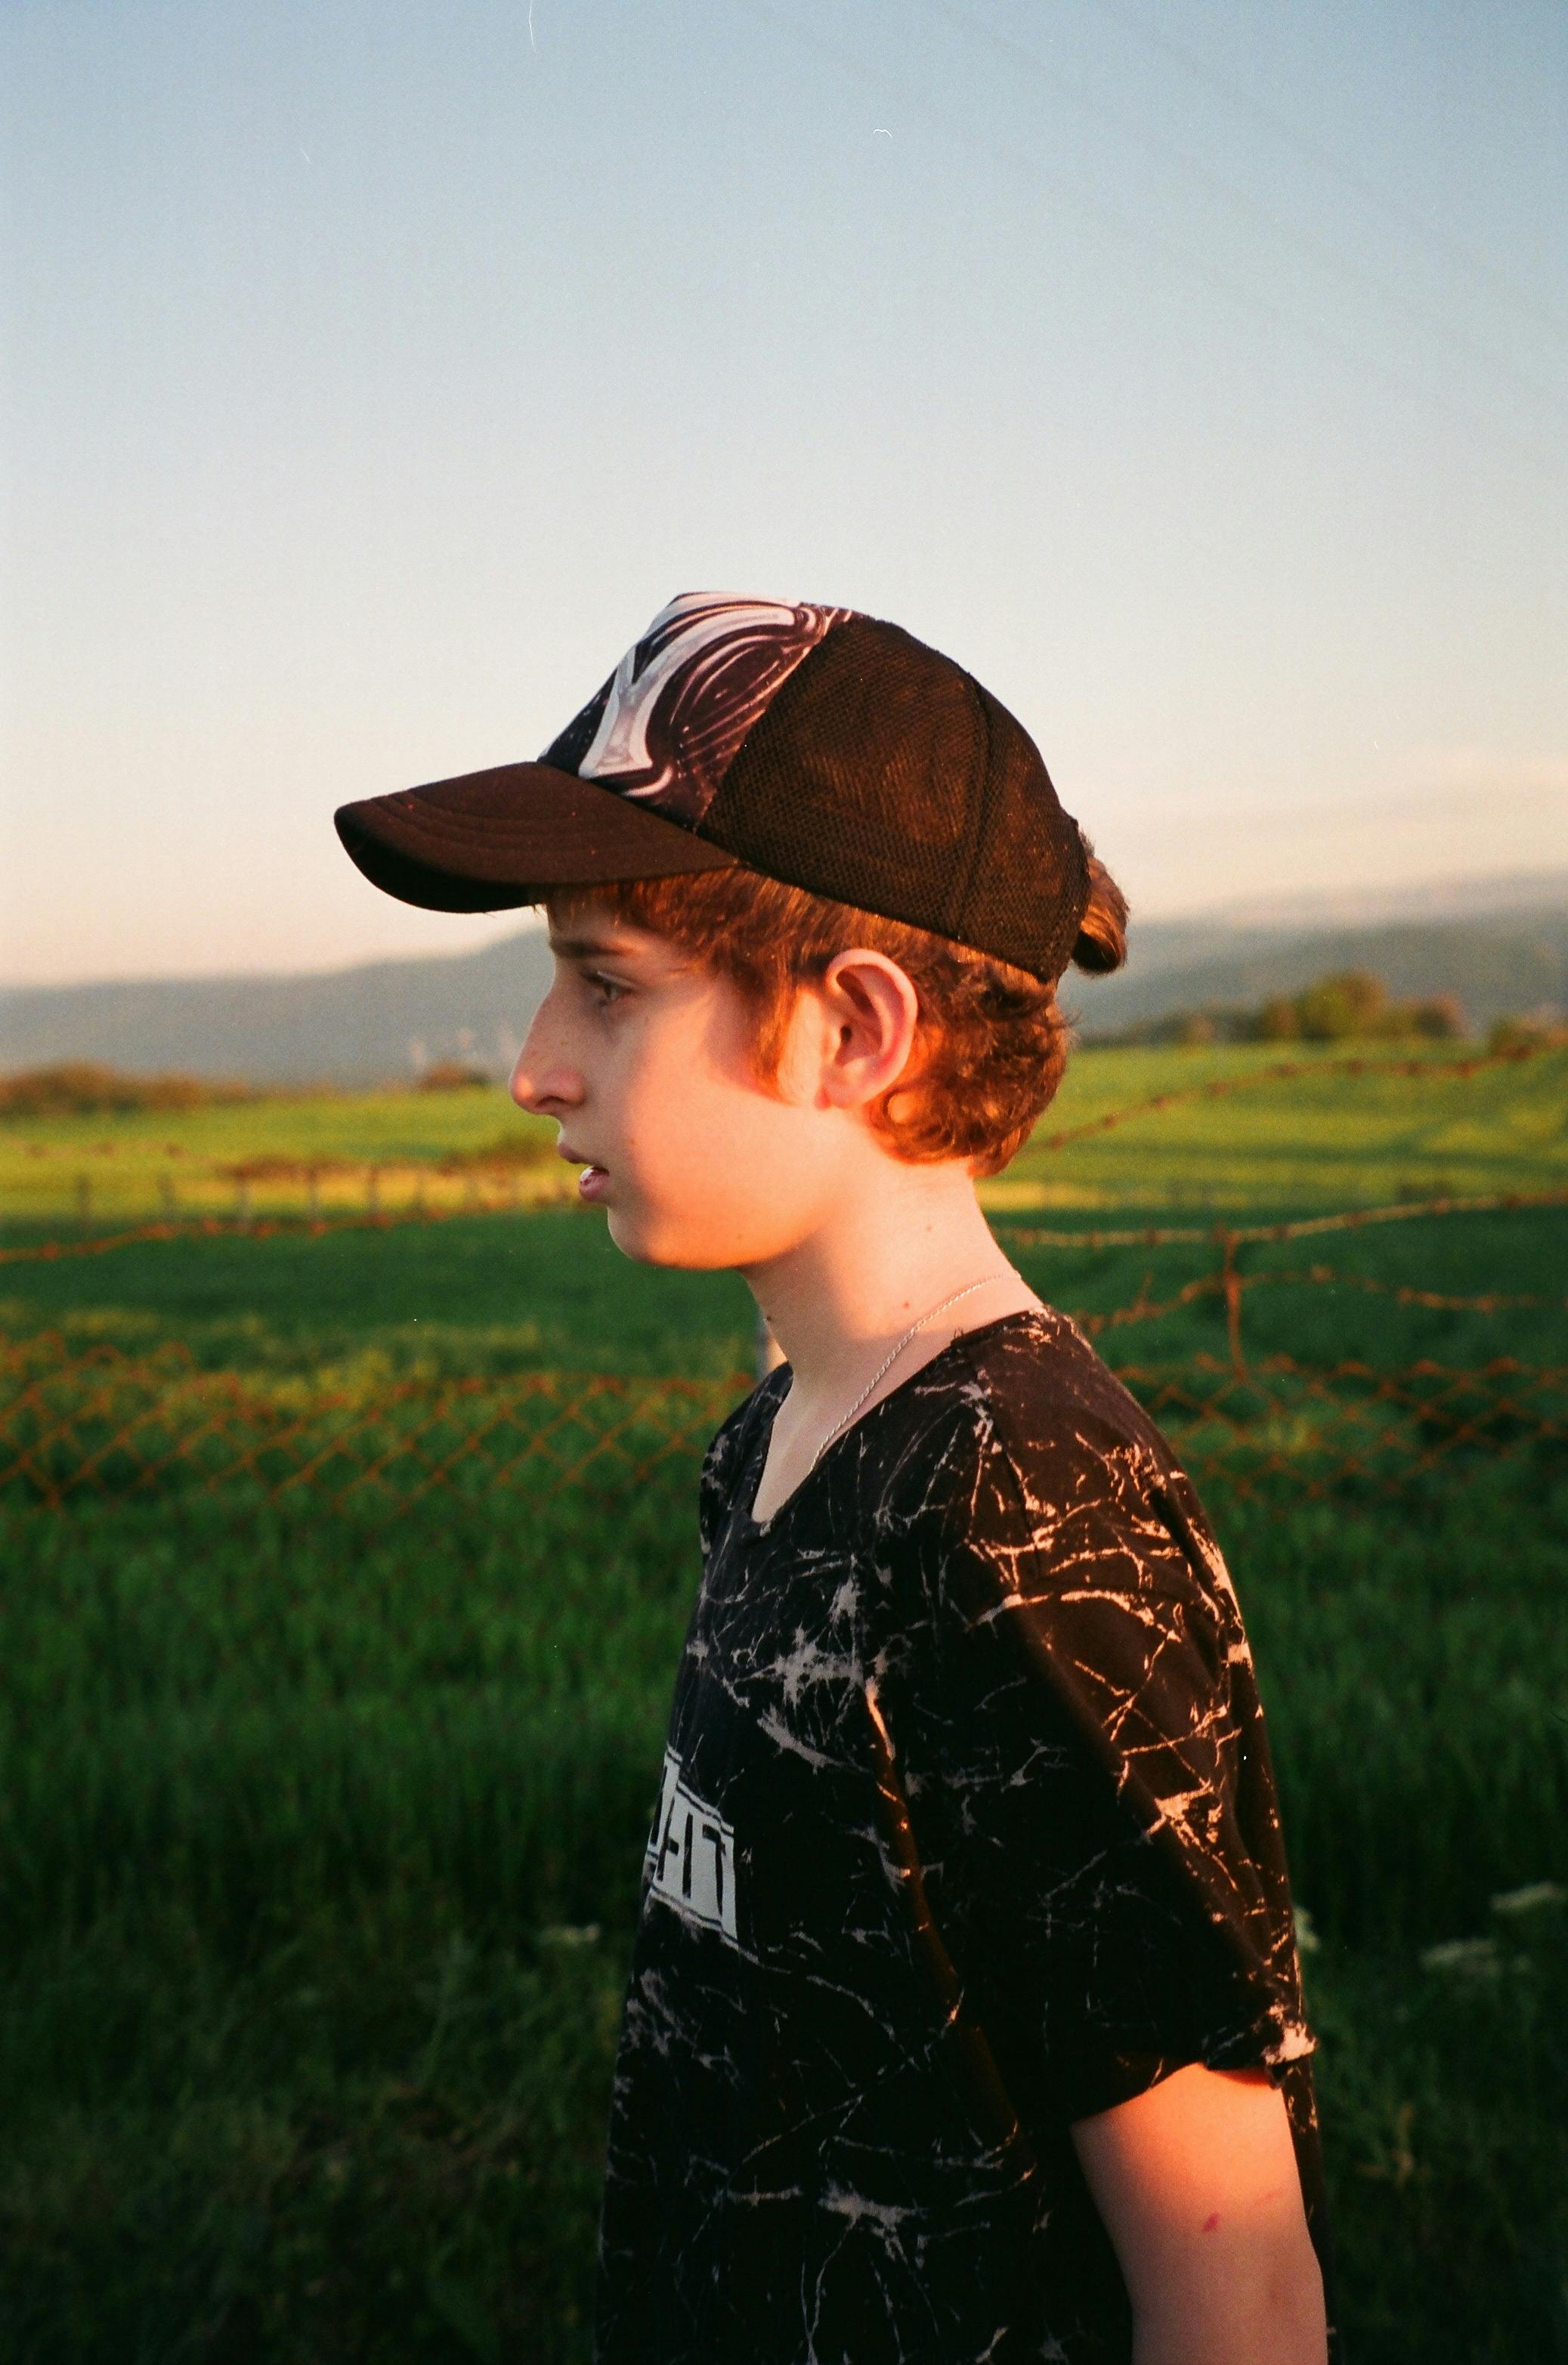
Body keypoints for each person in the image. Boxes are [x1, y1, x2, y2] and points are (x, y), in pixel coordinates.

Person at [336, 592, 1336, 2364]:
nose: (534, 1067)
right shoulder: (790, 1427)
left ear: (854, 1029)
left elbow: (1236, 2285)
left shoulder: (1024, 1510)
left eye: (607, 985)